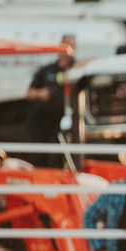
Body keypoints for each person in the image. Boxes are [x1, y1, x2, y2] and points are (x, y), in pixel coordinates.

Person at [23, 35, 81, 167]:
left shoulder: (76, 69)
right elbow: (29, 93)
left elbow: (90, 62)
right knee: (38, 158)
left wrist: (65, 76)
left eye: (73, 46)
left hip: (63, 124)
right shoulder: (47, 70)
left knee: (57, 160)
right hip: (41, 122)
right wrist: (41, 93)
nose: (69, 50)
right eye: (67, 45)